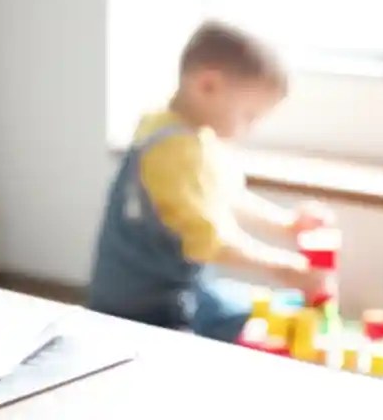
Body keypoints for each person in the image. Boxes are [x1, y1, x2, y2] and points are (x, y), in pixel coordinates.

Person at [87, 20, 335, 343]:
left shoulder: (183, 132)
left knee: (243, 308)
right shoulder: (171, 151)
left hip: (174, 285)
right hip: (144, 305)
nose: (249, 128)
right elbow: (210, 240)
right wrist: (284, 269)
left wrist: (287, 224)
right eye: (248, 115)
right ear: (208, 85)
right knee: (237, 328)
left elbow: (225, 194)